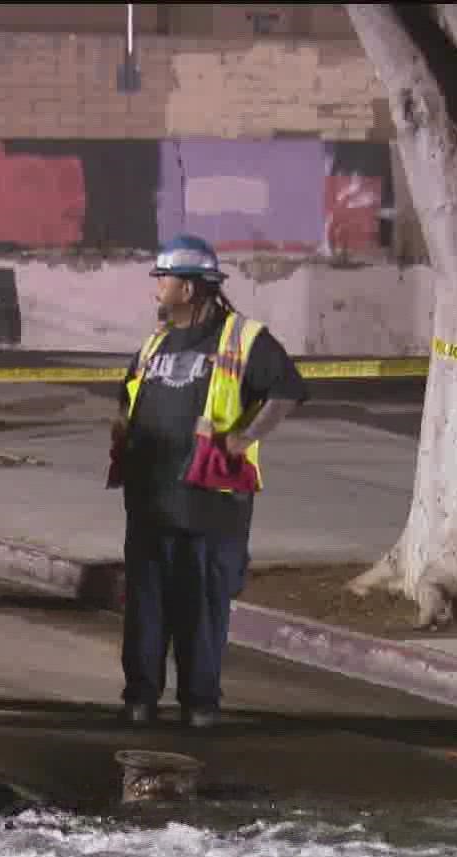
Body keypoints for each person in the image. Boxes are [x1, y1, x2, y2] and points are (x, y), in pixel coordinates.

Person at [111, 234, 308, 729]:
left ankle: (200, 706)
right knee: (146, 610)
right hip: (151, 502)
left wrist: (245, 435)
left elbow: (287, 390)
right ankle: (140, 698)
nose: (156, 284)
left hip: (210, 505)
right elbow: (127, 394)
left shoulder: (243, 338)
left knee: (201, 609)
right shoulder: (155, 341)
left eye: (165, 276)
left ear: (193, 287)